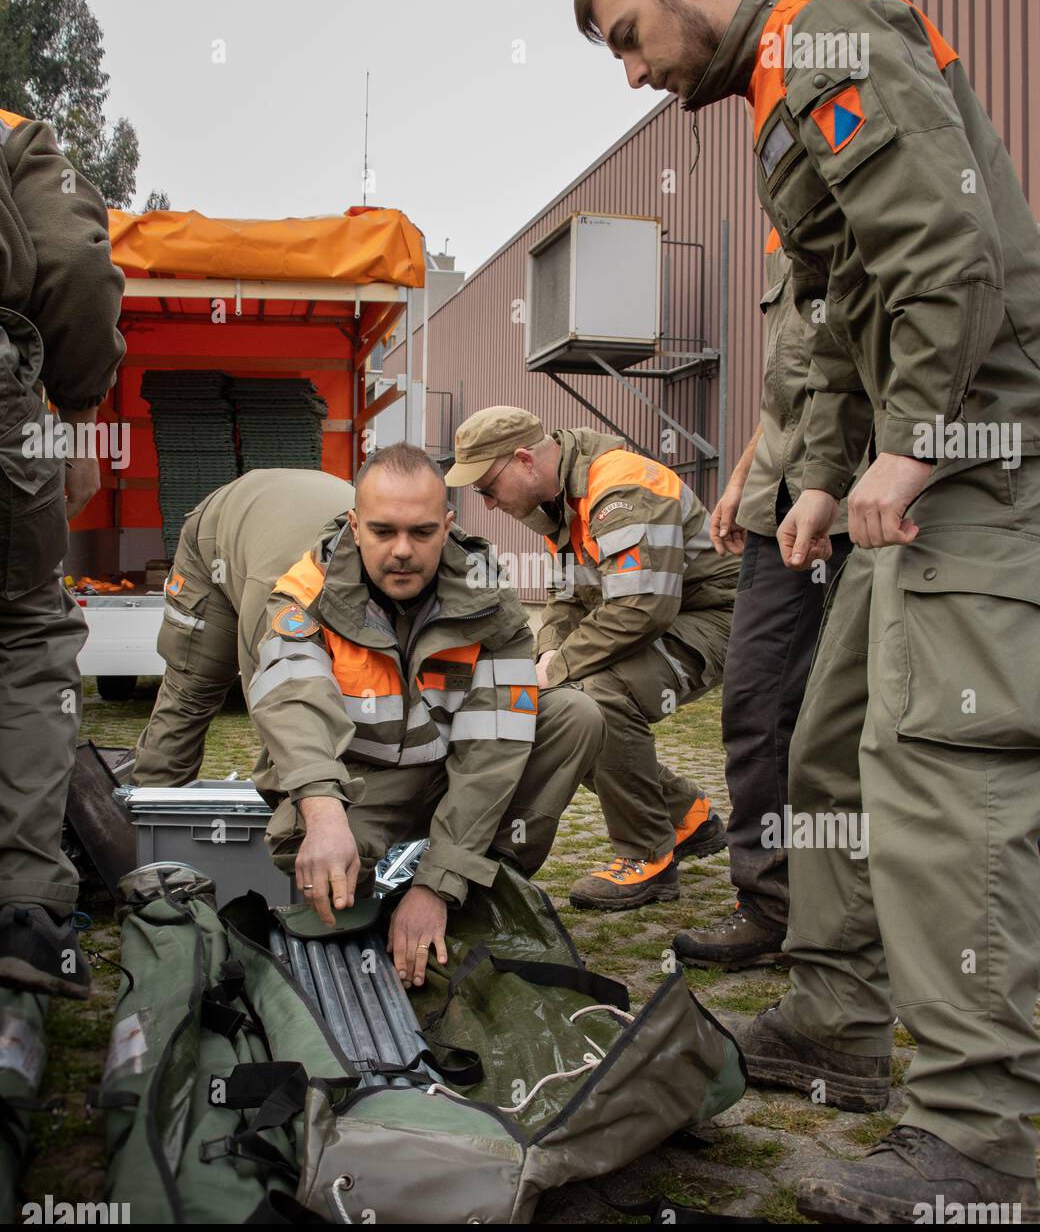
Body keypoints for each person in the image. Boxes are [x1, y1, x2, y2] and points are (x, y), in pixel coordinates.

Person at [574, 0, 1040, 1222]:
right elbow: (842, 314)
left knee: (948, 769)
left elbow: (951, 254)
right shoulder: (782, 102)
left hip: (984, 465)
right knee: (829, 745)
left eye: (624, 37)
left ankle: (983, 1139)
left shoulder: (825, 38)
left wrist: (909, 447)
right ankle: (840, 1012)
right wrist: (826, 471)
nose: (628, 75)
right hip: (913, 476)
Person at [247, 442, 605, 989]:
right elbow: (292, 704)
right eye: (383, 531)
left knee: (573, 714)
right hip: (358, 786)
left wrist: (436, 885)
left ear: (448, 526)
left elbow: (493, 746)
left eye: (421, 532)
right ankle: (387, 889)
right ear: (354, 525)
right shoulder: (304, 594)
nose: (402, 551)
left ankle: (475, 884)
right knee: (314, 858)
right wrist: (322, 813)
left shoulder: (487, 600)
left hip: (449, 773)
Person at [446, 408, 738, 912]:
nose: (489, 505)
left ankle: (649, 856)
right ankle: (685, 815)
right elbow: (566, 599)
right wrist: (548, 655)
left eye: (488, 488)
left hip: (717, 618)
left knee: (594, 695)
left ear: (523, 460)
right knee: (565, 713)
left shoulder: (619, 490)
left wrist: (559, 669)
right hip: (661, 615)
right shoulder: (560, 501)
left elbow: (643, 607)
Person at [672, 233, 857, 970]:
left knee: (828, 724)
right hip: (776, 507)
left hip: (847, 507)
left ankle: (811, 911)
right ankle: (772, 904)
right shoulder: (791, 234)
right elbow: (789, 392)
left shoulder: (863, 195)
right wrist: (743, 477)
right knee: (756, 708)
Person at [0, 108, 125, 1000]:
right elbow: (77, 262)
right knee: (24, 636)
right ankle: (23, 913)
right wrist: (76, 413)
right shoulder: (10, 134)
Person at [131, 468, 355, 786]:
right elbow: (277, 709)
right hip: (214, 540)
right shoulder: (278, 595)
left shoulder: (392, 562)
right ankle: (151, 810)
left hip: (289, 511)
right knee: (192, 691)